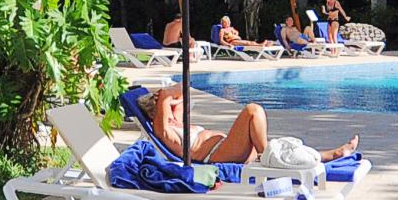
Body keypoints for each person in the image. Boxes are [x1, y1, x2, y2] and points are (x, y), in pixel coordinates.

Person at [140, 85, 355, 165]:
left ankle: (330, 155)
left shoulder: (177, 122)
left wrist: (168, 99)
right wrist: (163, 97)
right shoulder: (164, 131)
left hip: (229, 147)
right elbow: (168, 94)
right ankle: (270, 159)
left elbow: (181, 91)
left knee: (282, 146)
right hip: (218, 154)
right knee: (252, 111)